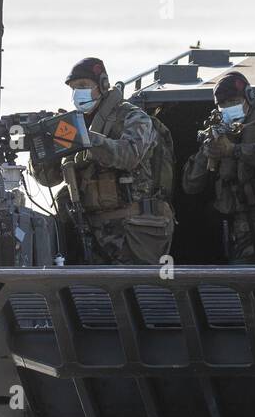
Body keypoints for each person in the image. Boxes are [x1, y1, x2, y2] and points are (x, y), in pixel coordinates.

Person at [28, 56, 174, 264]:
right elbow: (49, 180)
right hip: (90, 230)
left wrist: (85, 138)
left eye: (84, 85)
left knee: (140, 290)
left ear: (103, 85)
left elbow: (129, 156)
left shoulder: (132, 117)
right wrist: (40, 143)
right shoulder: (73, 124)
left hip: (133, 229)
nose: (78, 93)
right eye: (74, 88)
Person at [182, 70, 255, 264]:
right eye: (223, 105)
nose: (229, 108)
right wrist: (207, 152)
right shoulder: (220, 131)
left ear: (248, 98)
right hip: (242, 232)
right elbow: (190, 184)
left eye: (234, 102)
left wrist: (234, 150)